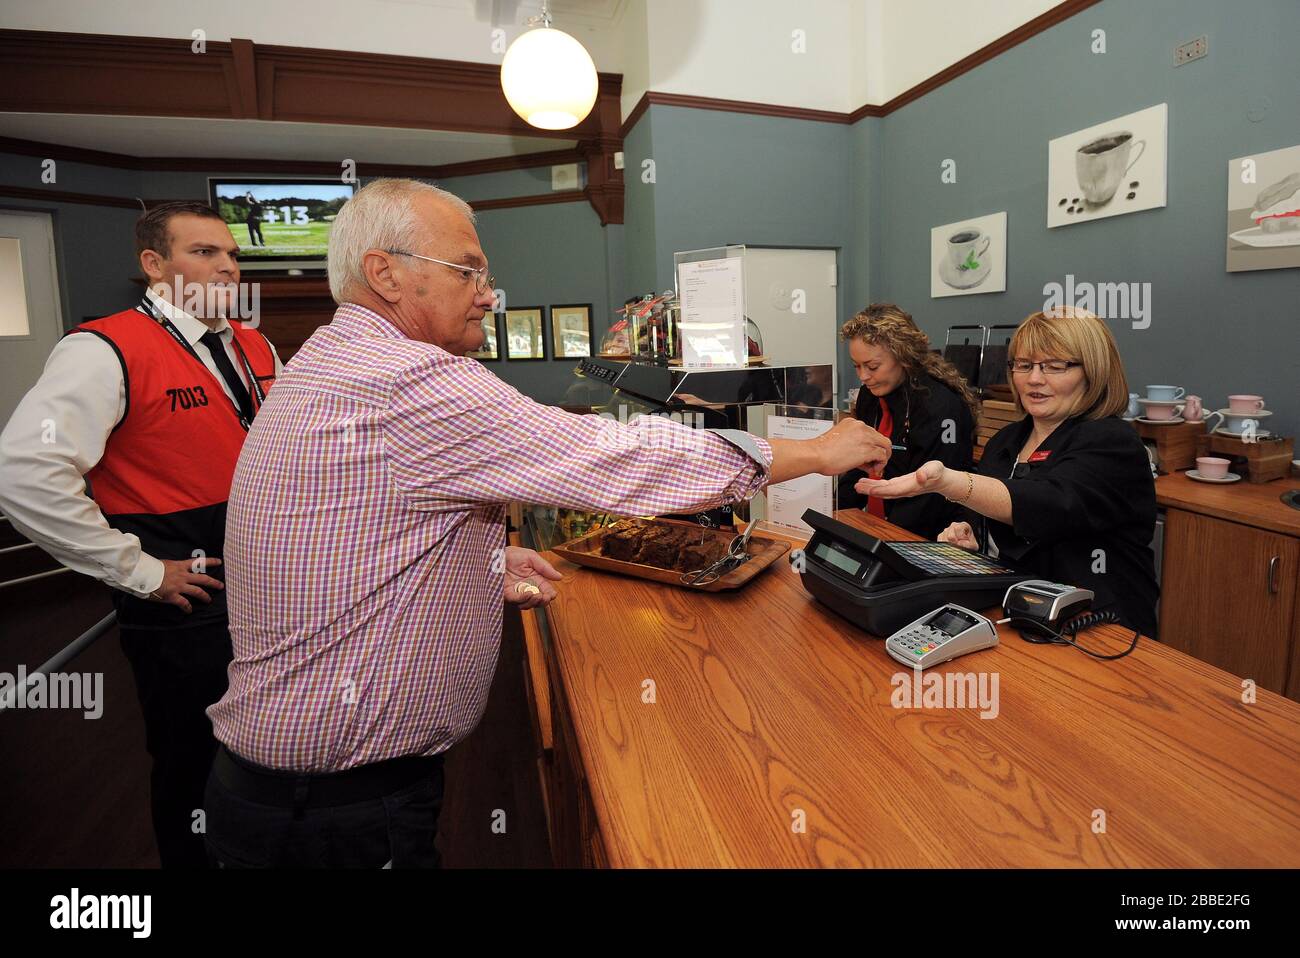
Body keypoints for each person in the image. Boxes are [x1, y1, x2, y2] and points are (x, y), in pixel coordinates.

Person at [203, 178, 892, 869]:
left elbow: (347, 535)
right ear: (384, 272)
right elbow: (611, 458)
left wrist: (482, 565)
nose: (486, 292)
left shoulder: (330, 362)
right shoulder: (407, 378)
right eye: (467, 270)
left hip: (287, 795)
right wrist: (809, 453)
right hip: (334, 814)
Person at [0, 201, 282, 867]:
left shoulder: (255, 343)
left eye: (232, 254)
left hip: (266, 589)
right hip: (181, 599)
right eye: (204, 252)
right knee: (193, 763)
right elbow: (24, 472)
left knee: (262, 753)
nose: (226, 266)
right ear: (154, 265)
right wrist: (141, 571)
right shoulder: (104, 348)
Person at [855, 307, 1158, 638]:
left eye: (1055, 366)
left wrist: (949, 482)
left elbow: (1050, 503)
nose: (1034, 379)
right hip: (1021, 621)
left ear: (1094, 371)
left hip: (1101, 634)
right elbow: (992, 525)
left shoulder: (1112, 441)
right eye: (1024, 366)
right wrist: (972, 539)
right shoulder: (1006, 441)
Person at [837, 303, 977, 538]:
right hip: (880, 526)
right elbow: (858, 466)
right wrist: (834, 512)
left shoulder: (941, 408)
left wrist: (885, 540)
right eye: (857, 366)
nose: (863, 377)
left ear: (904, 356)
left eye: (872, 366)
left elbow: (932, 496)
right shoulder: (869, 397)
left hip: (929, 535)